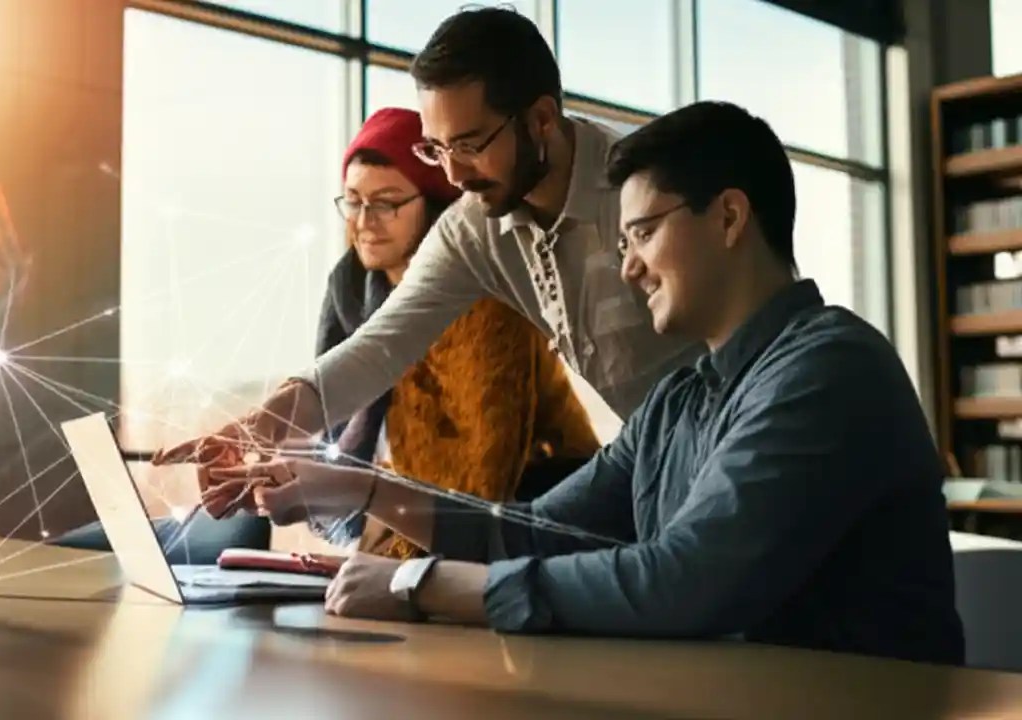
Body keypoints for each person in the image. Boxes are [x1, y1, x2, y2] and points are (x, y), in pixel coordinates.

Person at [206, 100, 967, 667]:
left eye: (642, 233)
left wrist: (422, 585)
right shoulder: (681, 399)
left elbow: (690, 580)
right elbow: (531, 530)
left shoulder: (828, 369)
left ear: (730, 217)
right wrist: (365, 490)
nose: (628, 265)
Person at [152, 6, 702, 471]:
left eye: (470, 144)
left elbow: (755, 329)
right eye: (436, 149)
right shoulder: (475, 226)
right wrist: (259, 427)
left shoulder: (649, 189)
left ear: (540, 120)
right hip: (668, 460)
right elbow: (378, 348)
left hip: (751, 443)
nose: (454, 175)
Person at [316, 106, 600, 559]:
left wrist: (388, 562)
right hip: (416, 516)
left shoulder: (481, 299)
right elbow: (352, 444)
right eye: (353, 200)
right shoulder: (351, 289)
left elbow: (480, 481)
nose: (365, 221)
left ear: (431, 204)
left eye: (387, 202)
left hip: (534, 520)